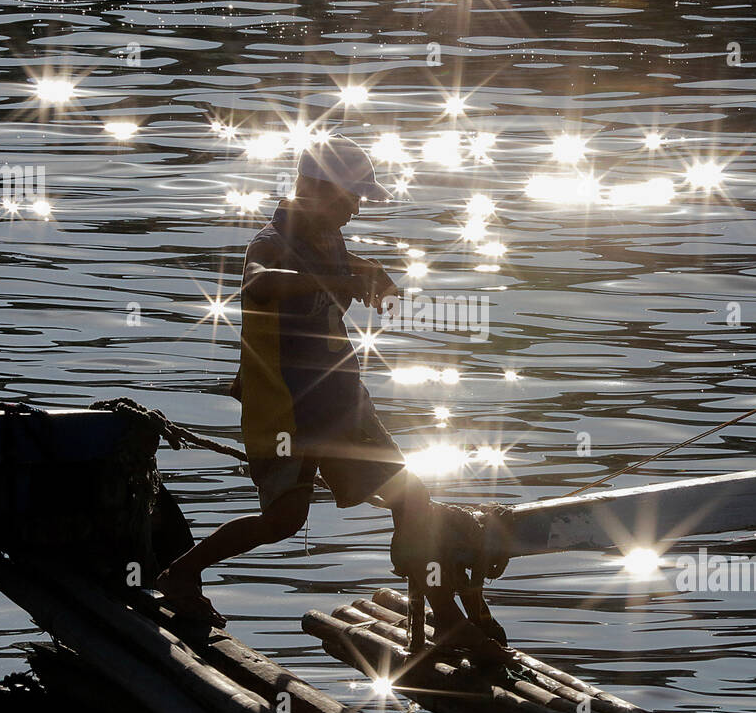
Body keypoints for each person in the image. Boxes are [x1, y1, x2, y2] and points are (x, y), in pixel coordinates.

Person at [156, 135, 499, 650]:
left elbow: (345, 267)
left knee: (413, 498)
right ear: (315, 192)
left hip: (340, 401)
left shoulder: (329, 240)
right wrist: (333, 276)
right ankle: (181, 573)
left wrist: (368, 272)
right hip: (287, 407)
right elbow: (259, 284)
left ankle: (444, 619)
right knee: (283, 521)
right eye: (349, 198)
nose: (356, 207)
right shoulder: (269, 243)